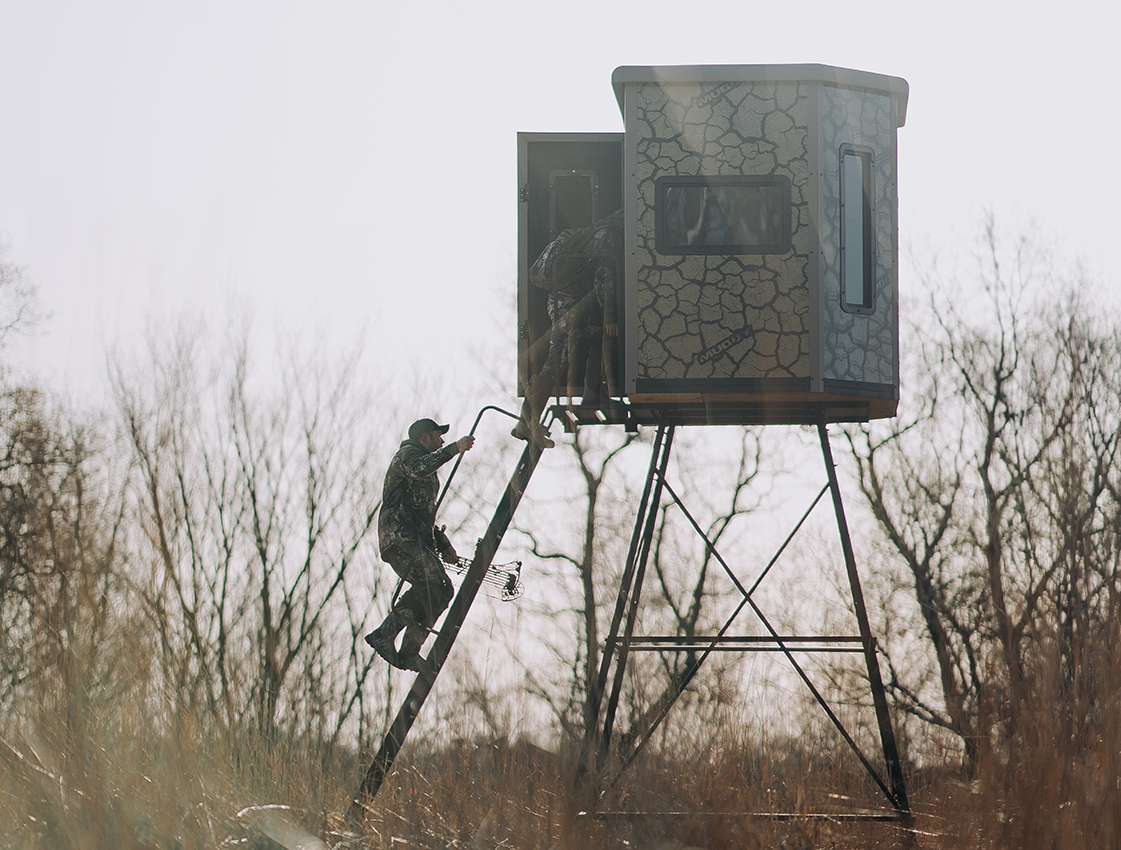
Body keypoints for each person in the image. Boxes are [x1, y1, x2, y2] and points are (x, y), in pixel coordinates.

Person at [365, 417, 475, 672]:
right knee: (432, 584)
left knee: (442, 591)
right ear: (424, 438)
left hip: (416, 538)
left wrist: (443, 543)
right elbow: (419, 468)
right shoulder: (406, 456)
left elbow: (424, 516)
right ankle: (384, 634)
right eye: (438, 436)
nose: (442, 441)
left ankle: (410, 651)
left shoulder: (423, 465)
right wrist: (454, 449)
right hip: (400, 537)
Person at [514, 208, 623, 447]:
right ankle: (526, 422)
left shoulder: (591, 232)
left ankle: (592, 396)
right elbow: (605, 275)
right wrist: (609, 316)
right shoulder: (608, 235)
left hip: (563, 300)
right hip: (570, 304)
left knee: (590, 339)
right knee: (556, 363)